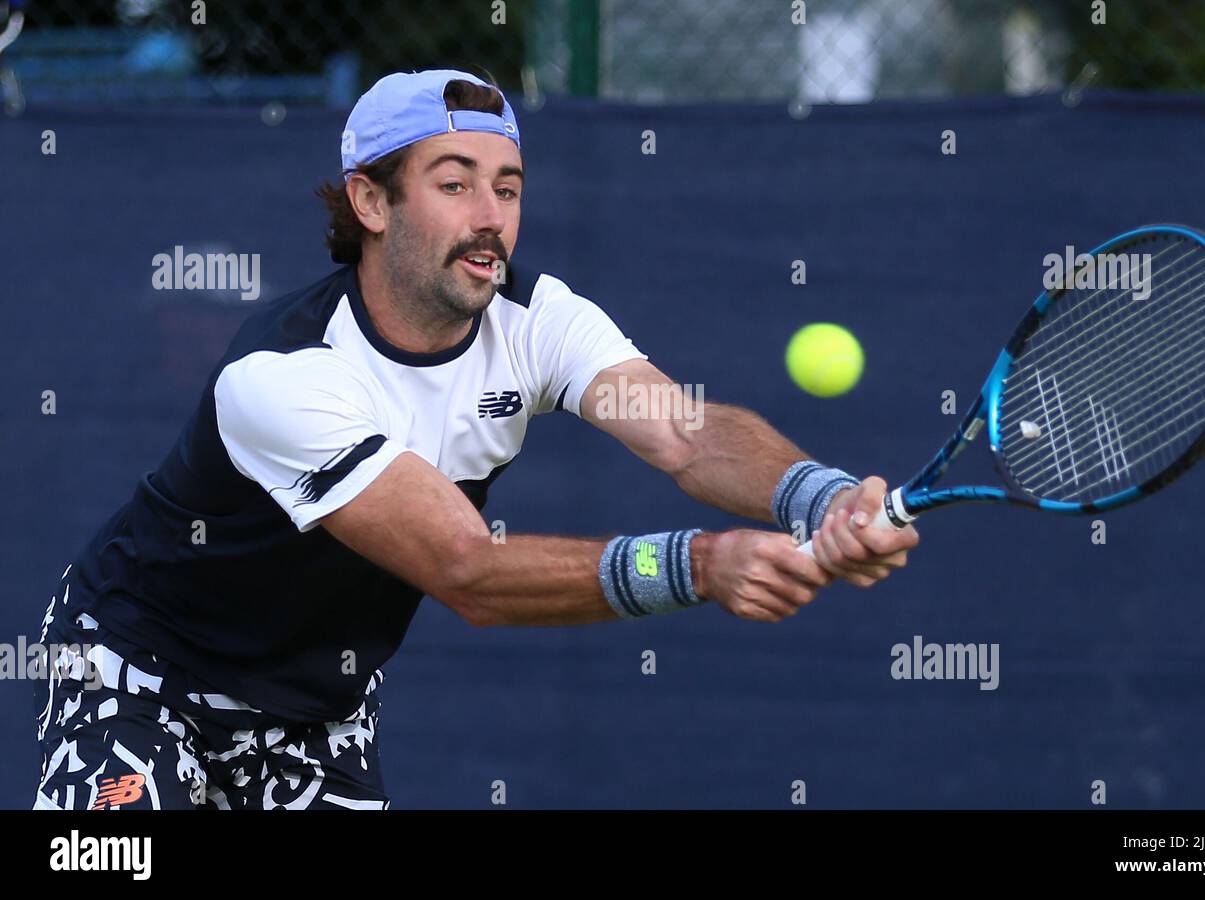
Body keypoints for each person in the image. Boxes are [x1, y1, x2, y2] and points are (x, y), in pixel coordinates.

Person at [32, 69, 918, 810]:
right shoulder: (284, 375)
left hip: (318, 705)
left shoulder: (539, 320)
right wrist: (704, 565)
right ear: (370, 201)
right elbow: (467, 572)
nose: (490, 215)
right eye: (454, 183)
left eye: (508, 187)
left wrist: (822, 496)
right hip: (137, 672)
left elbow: (687, 436)